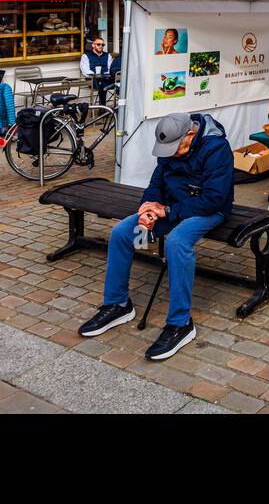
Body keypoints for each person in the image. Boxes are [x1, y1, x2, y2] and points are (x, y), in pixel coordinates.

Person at [78, 112, 234, 360]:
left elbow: (214, 198)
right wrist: (148, 207)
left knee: (177, 242)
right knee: (121, 233)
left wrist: (169, 211)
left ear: (190, 135)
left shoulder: (217, 148)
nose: (170, 153)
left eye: (175, 148)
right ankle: (118, 305)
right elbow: (155, 185)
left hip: (208, 209)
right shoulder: (170, 148)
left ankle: (181, 323)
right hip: (171, 208)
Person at [79, 34, 119, 104]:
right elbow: (85, 70)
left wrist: (107, 75)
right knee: (102, 85)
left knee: (119, 83)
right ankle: (103, 107)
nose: (101, 46)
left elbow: (110, 68)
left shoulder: (107, 55)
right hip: (93, 80)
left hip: (106, 79)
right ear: (93, 45)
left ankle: (117, 106)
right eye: (98, 44)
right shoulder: (86, 56)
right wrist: (97, 76)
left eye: (102, 45)